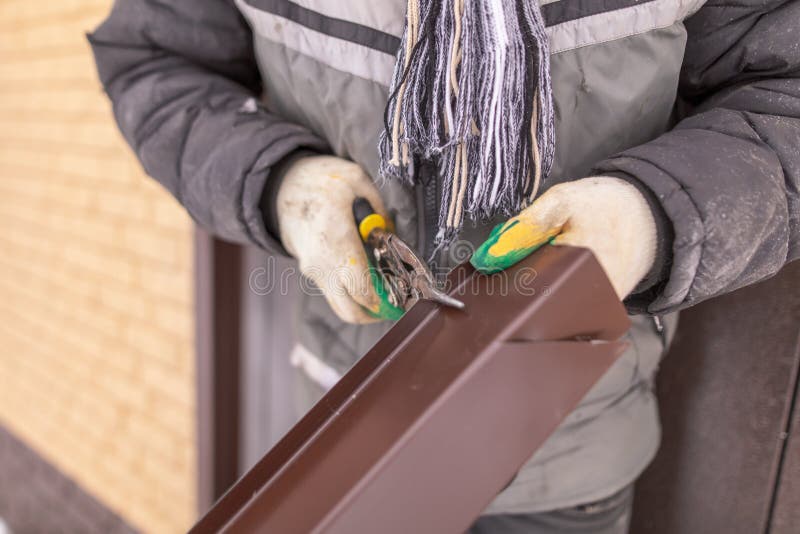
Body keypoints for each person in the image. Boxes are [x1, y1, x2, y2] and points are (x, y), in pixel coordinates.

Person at [90, 1, 799, 532]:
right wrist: (283, 185)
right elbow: (151, 61)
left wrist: (649, 214)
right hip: (358, 451)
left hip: (568, 464)